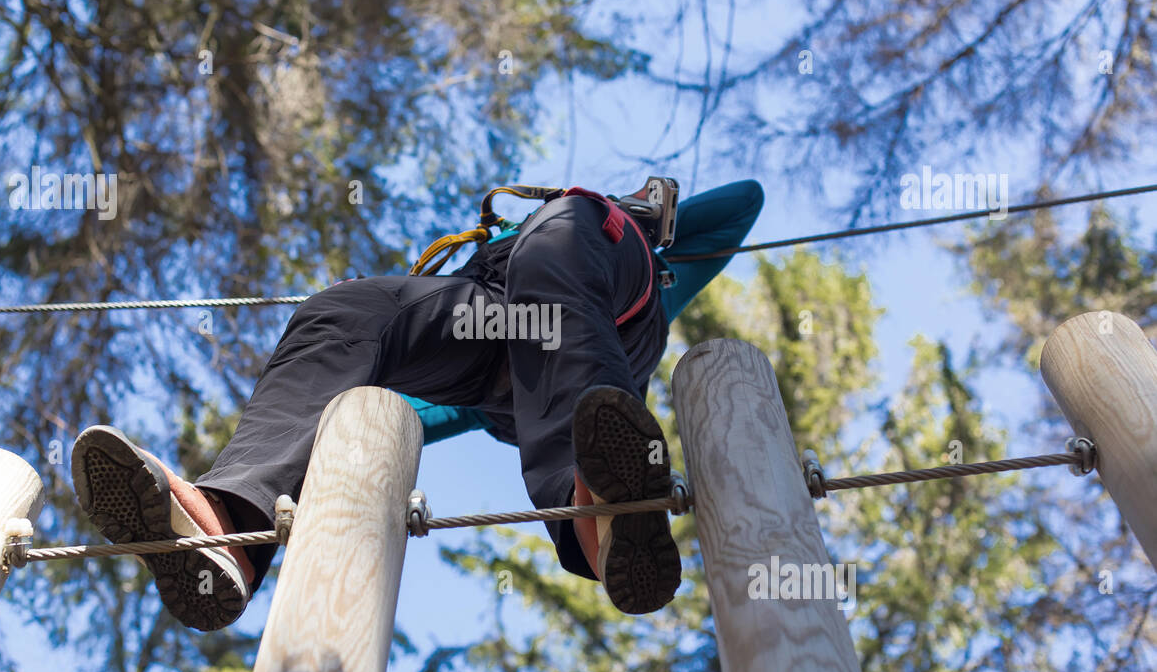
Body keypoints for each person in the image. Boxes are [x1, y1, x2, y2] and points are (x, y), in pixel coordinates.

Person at [70, 179, 764, 631]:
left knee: (560, 236)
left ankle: (606, 511)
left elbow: (745, 203)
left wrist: (649, 210)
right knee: (347, 313)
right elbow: (394, 409)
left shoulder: (610, 235)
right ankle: (227, 527)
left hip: (608, 307)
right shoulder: (511, 259)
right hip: (496, 336)